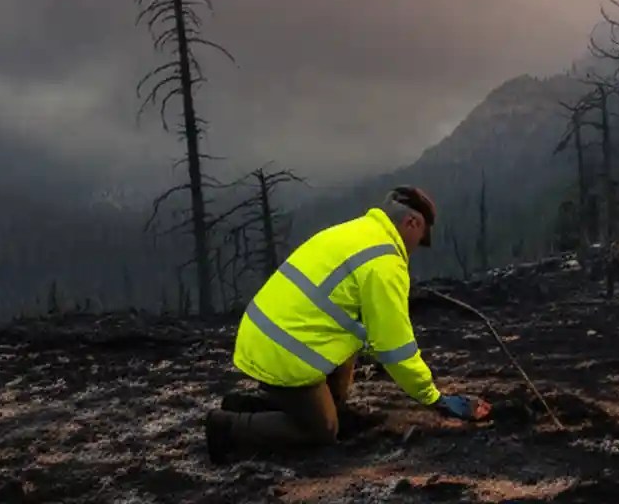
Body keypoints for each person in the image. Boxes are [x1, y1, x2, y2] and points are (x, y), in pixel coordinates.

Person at [205, 185, 491, 464]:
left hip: (262, 335)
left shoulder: (356, 232)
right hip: (285, 354)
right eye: (421, 239)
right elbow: (395, 349)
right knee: (323, 430)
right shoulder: (384, 263)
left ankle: (252, 406)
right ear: (412, 222)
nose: (416, 248)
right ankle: (228, 427)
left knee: (349, 350)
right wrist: (435, 398)